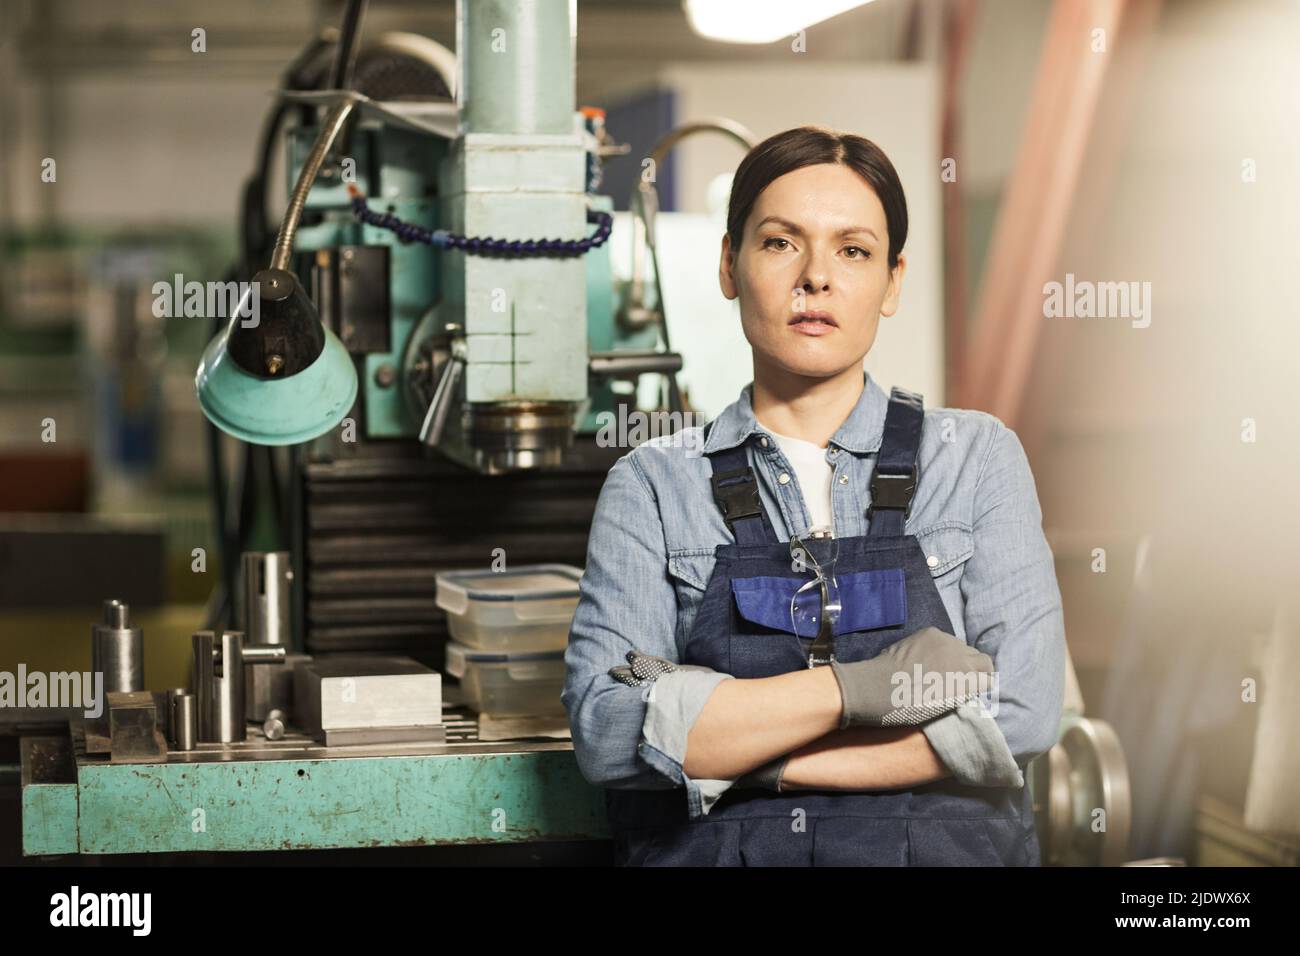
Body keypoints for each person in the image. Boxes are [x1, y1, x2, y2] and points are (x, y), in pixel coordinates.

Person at [562, 125, 1065, 866]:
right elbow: (607, 732)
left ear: (893, 281)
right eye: (779, 243)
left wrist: (735, 748)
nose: (816, 277)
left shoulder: (976, 458)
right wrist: (866, 689)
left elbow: (1020, 713)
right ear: (729, 264)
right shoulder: (651, 485)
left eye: (853, 250)